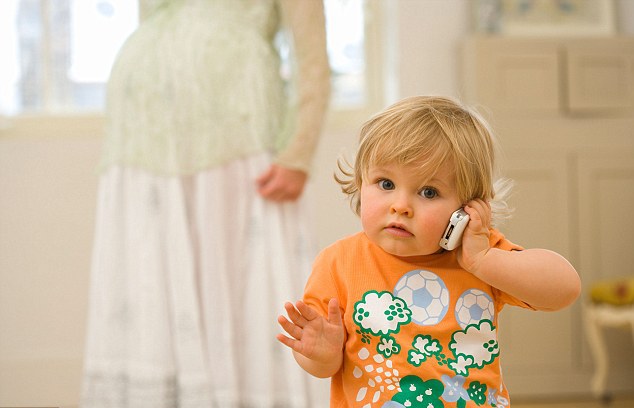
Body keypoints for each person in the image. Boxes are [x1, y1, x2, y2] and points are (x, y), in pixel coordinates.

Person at [81, 0, 330, 406]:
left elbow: (312, 56)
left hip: (239, 130)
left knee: (235, 272)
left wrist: (298, 152)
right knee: (157, 268)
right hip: (143, 135)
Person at [277, 96, 581, 407]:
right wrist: (321, 355)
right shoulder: (338, 262)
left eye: (428, 192)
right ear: (360, 183)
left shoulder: (479, 254)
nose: (400, 206)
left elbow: (565, 289)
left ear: (467, 207)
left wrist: (485, 262)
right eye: (385, 183)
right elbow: (323, 367)